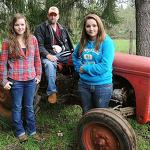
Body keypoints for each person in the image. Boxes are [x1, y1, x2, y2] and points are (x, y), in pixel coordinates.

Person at [0, 13, 42, 142]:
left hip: (30, 79)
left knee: (29, 106)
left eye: (22, 24)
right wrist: (4, 81)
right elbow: (3, 63)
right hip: (16, 80)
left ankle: (32, 131)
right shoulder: (7, 42)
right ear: (13, 26)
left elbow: (37, 58)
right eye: (17, 25)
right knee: (17, 107)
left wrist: (39, 75)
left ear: (26, 25)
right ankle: (20, 132)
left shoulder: (32, 39)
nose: (20, 27)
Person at [72, 14, 115, 114]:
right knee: (86, 112)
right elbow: (74, 55)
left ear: (99, 26)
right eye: (88, 26)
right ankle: (86, 129)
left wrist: (85, 68)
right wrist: (78, 68)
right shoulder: (83, 41)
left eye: (94, 25)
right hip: (84, 84)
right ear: (85, 28)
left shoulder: (106, 42)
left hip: (102, 85)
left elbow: (105, 66)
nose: (91, 29)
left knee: (100, 115)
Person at [34, 6, 74, 104]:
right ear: (48, 15)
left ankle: (76, 87)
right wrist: (48, 55)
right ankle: (52, 92)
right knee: (49, 64)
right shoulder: (40, 28)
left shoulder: (63, 29)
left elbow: (69, 47)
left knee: (76, 59)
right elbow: (39, 46)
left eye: (55, 15)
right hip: (46, 56)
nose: (52, 17)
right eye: (51, 15)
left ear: (58, 16)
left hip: (62, 55)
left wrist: (62, 51)